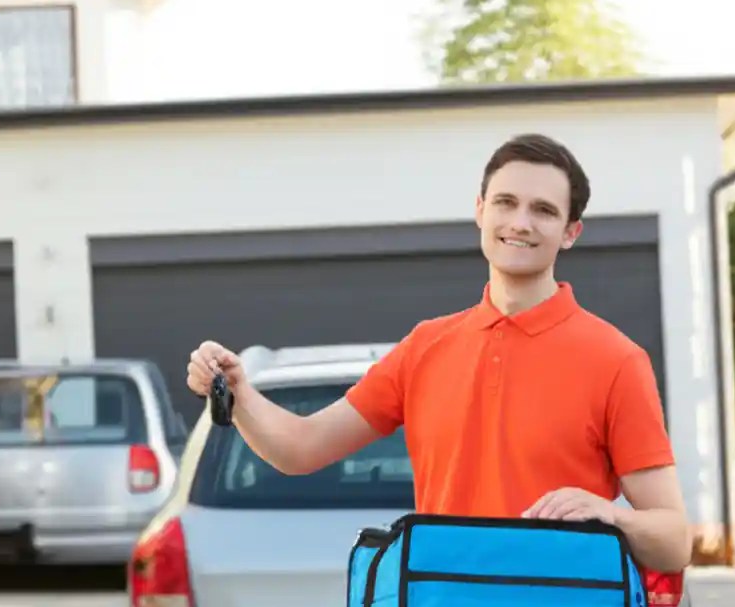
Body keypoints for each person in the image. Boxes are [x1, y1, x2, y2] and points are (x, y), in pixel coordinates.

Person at [185, 133, 691, 574]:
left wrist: (612, 515)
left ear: (571, 232)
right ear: (480, 210)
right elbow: (301, 448)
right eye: (506, 202)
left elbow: (673, 542)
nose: (520, 222)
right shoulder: (426, 347)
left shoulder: (616, 360)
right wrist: (240, 393)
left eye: (544, 210)